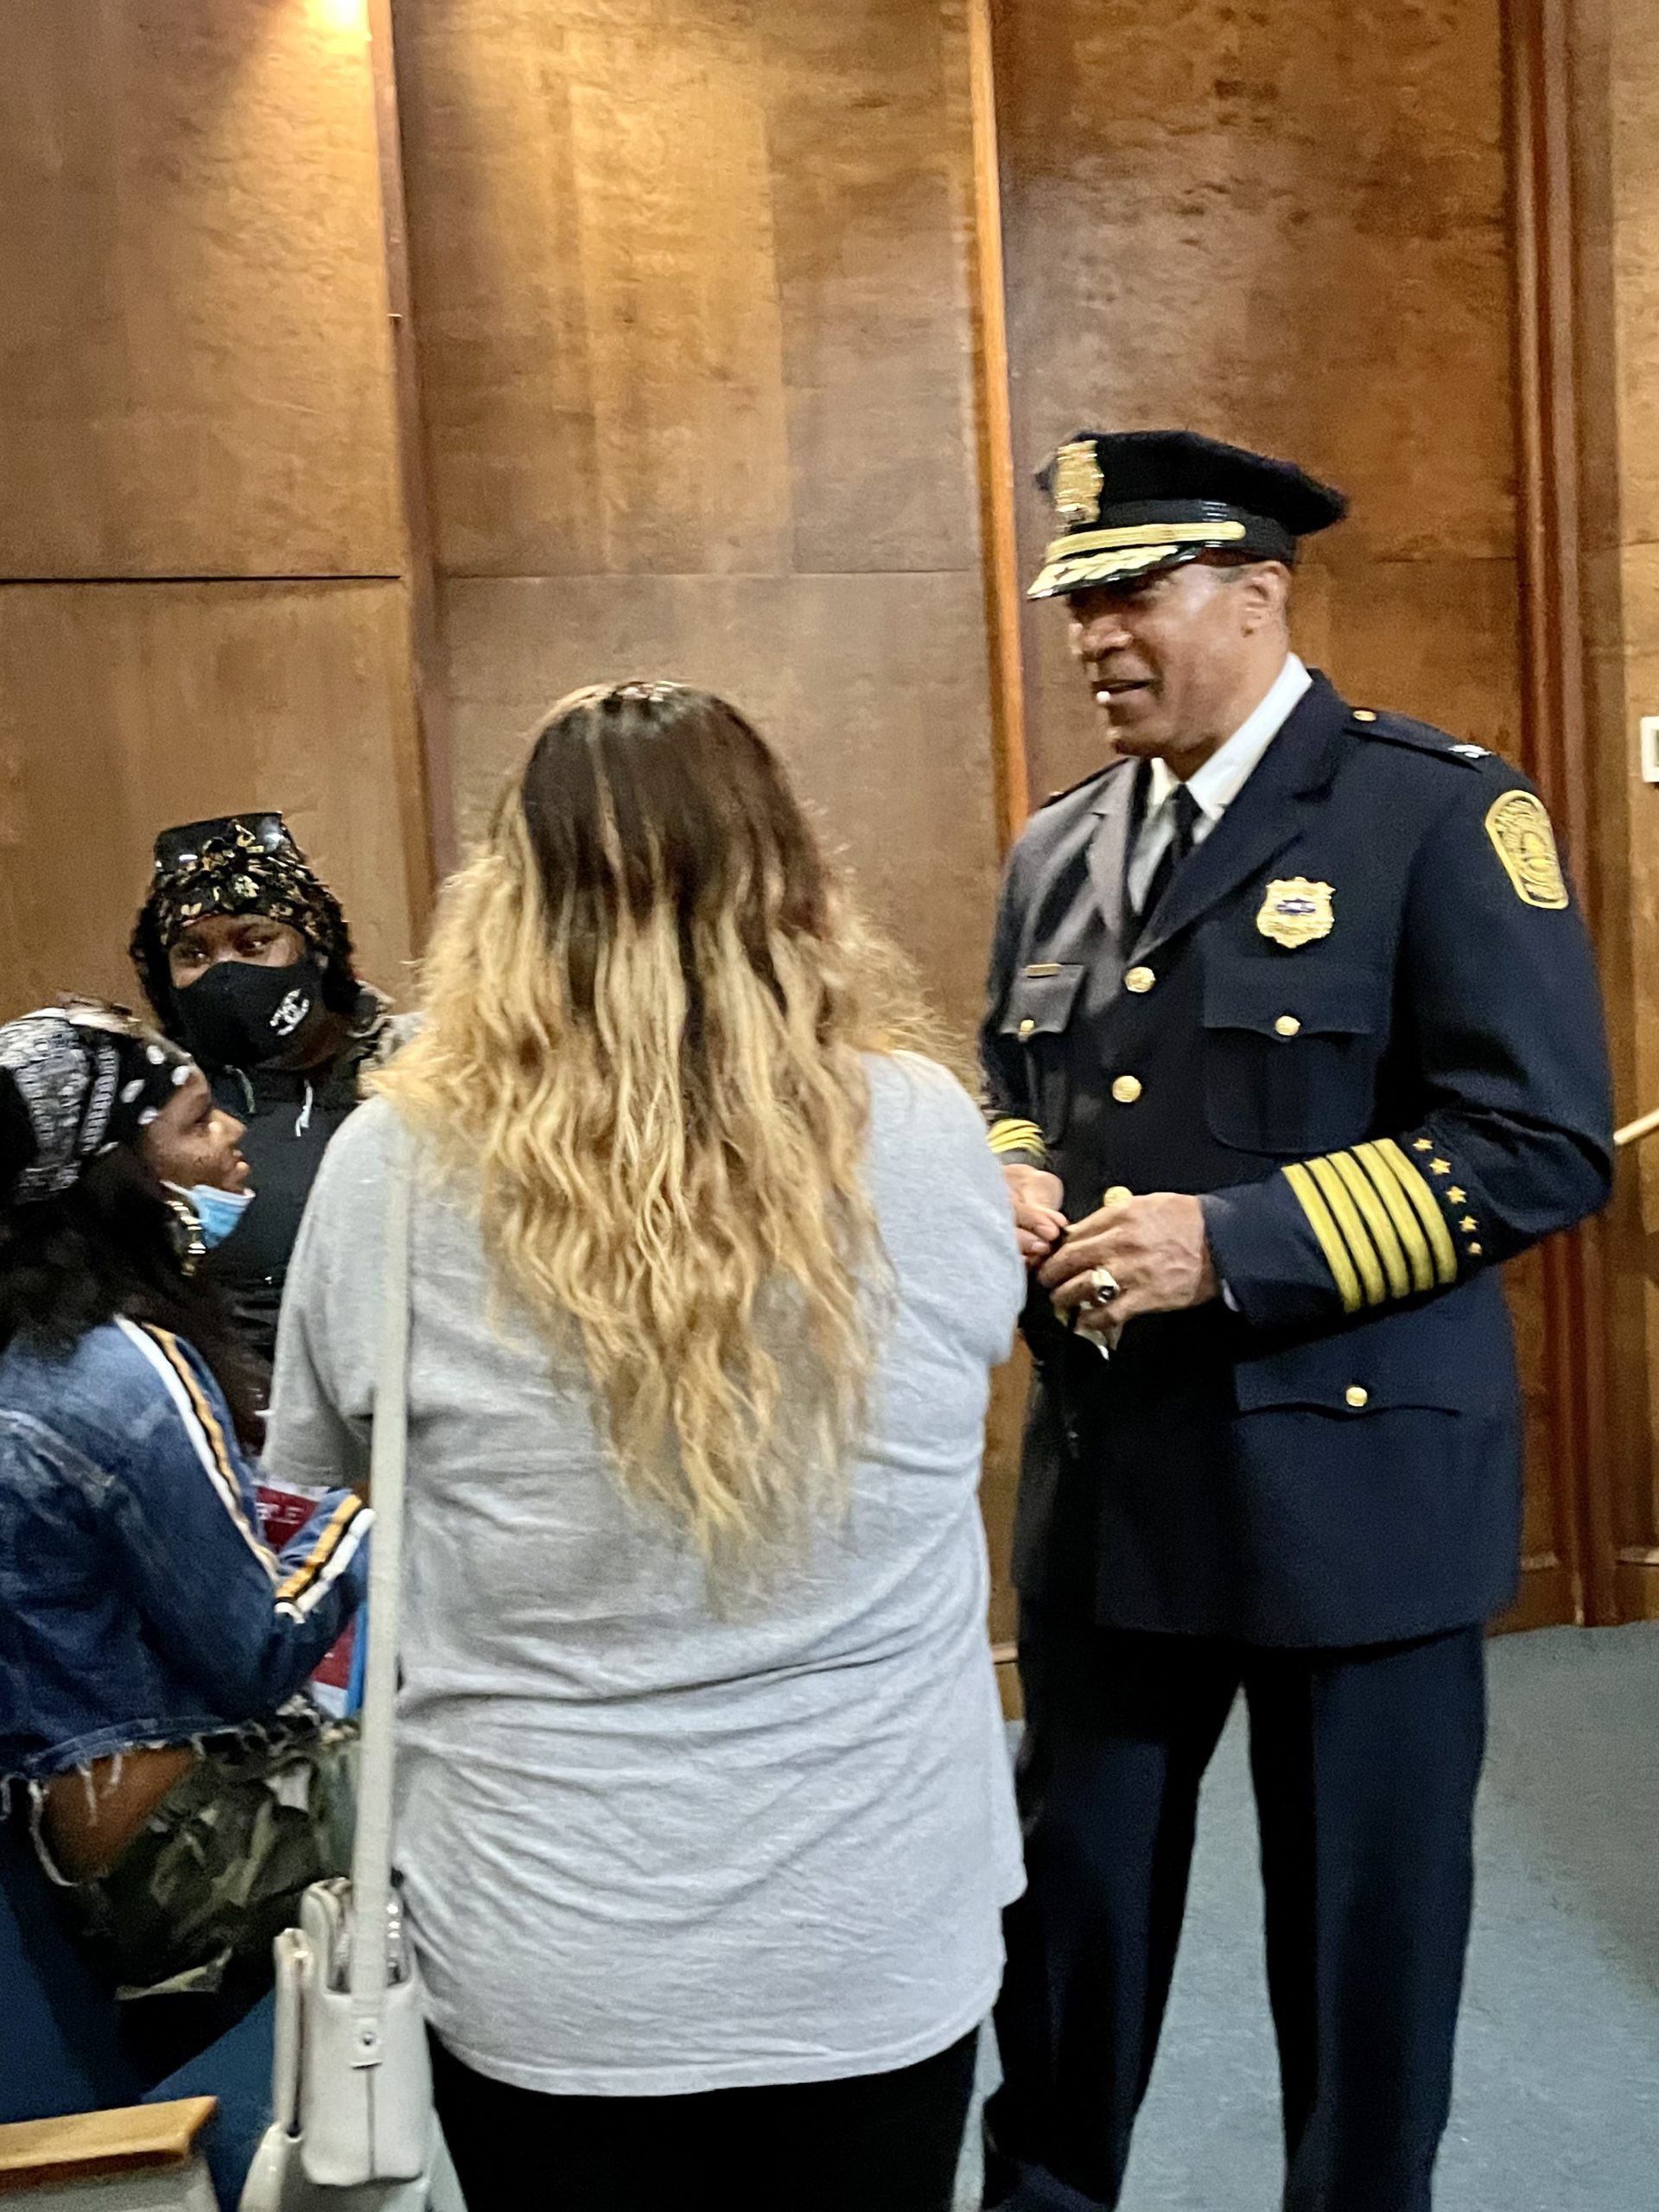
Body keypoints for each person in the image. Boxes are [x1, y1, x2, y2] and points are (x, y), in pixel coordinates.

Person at [264, 681, 1027, 2212]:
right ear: (798, 883)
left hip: (551, 1944)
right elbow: (978, 1370)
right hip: (872, 1922)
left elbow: (325, 1478)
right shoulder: (931, 1139)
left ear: (506, 898)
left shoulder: (392, 1174)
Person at [977, 429, 1613, 2212]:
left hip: (1358, 1495)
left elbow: (1540, 1142)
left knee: (1362, 1965)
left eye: (1130, 594)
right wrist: (1010, 1174)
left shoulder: (1438, 812)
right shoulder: (1058, 849)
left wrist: (1233, 1241)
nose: (1095, 636)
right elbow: (1010, 1081)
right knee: (1069, 1939)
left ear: (1258, 594)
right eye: (1077, 602)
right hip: (1116, 1497)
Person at [0, 1001, 371, 2065]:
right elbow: (253, 1652)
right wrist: (373, 1511)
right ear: (120, 1172)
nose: (234, 1139)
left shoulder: (27, 1354)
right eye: (199, 1121)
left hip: (72, 1847)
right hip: (188, 1850)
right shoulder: (121, 1371)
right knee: (482, 1763)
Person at [130, 812, 410, 1371]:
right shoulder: (143, 1105)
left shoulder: (406, 1072)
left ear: (314, 948)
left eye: (254, 943)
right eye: (194, 954)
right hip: (221, 1401)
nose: (225, 975)